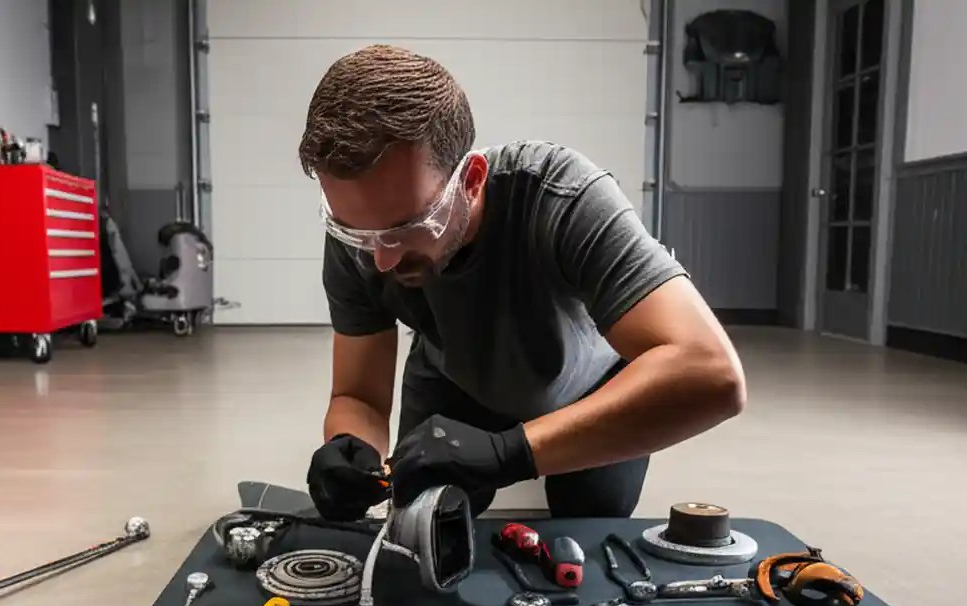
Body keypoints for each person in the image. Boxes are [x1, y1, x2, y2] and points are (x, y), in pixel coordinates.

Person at [300, 45, 746, 520]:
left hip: (587, 387)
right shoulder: (365, 236)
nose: (382, 259)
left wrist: (509, 454)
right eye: (358, 233)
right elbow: (358, 396)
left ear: (470, 180)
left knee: (589, 526)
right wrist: (351, 445)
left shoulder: (563, 197)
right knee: (419, 521)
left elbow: (712, 374)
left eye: (409, 226)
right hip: (455, 376)